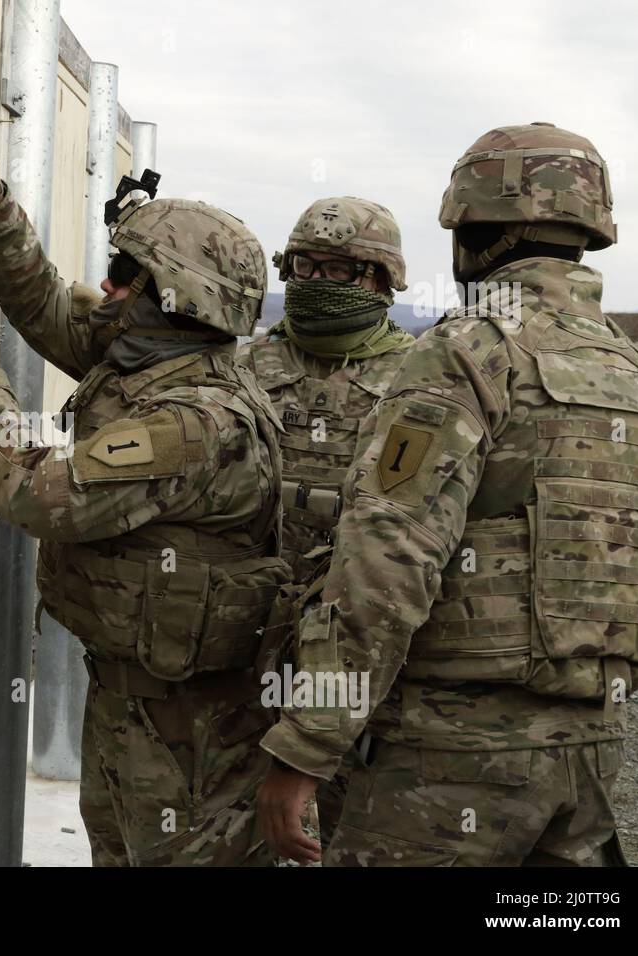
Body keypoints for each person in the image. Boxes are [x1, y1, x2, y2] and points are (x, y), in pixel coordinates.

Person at [257, 122, 638, 866]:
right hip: (591, 754)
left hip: (451, 763)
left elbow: (387, 559)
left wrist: (308, 745)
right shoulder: (633, 369)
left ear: (472, 229)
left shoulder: (467, 351)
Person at [0, 72, 290, 865]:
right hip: (134, 702)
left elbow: (34, 494)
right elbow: (45, 301)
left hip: (191, 735)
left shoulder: (195, 423)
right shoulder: (155, 355)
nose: (109, 288)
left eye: (128, 277)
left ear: (177, 302)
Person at [236, 198, 415, 843]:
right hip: (244, 634)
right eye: (302, 267)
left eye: (335, 271)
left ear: (378, 280)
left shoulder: (418, 379)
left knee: (356, 826)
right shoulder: (246, 365)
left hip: (356, 640)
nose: (312, 283)